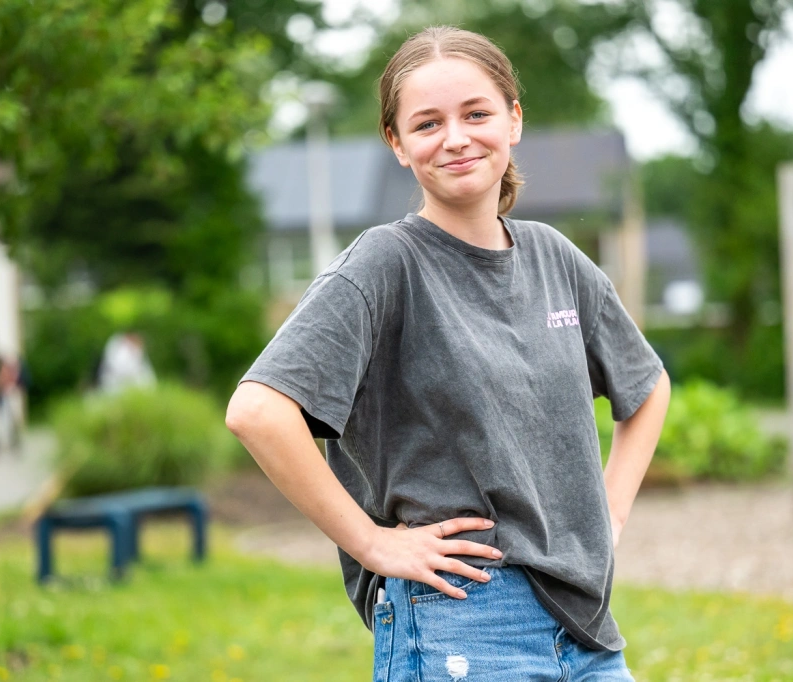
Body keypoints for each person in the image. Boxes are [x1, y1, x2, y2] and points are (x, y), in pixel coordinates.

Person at [226, 26, 670, 681]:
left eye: (476, 113)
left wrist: (611, 510)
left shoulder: (555, 258)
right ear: (397, 144)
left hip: (588, 631)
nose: (456, 137)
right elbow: (257, 411)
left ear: (514, 120)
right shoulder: (385, 264)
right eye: (428, 123)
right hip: (461, 620)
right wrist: (372, 542)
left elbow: (647, 385)